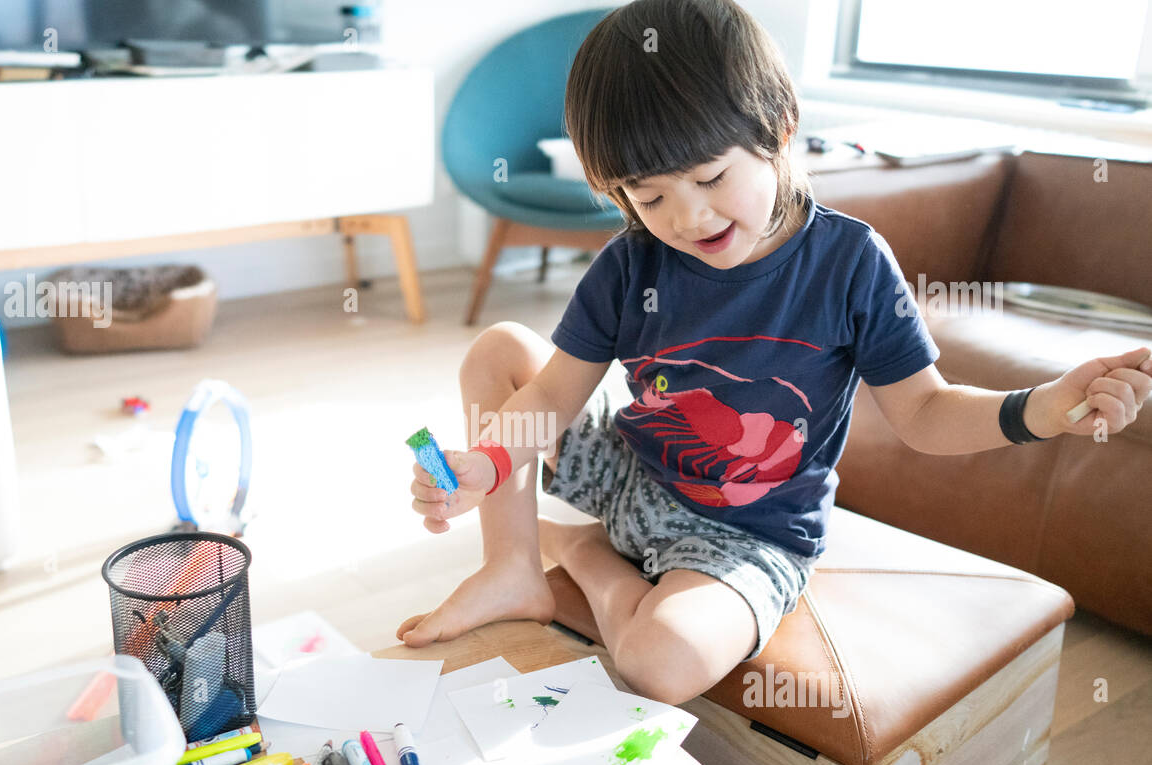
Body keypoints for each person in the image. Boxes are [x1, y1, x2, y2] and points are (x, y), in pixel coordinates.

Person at [400, 0, 1151, 705]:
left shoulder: (850, 262)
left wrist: (1041, 410)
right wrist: (492, 464)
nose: (687, 216)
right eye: (648, 196)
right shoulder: (630, 264)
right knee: (499, 350)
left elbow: (924, 412)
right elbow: (551, 395)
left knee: (660, 664)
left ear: (781, 124)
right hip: (635, 470)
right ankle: (510, 566)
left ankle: (585, 556)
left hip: (748, 534)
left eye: (710, 177)